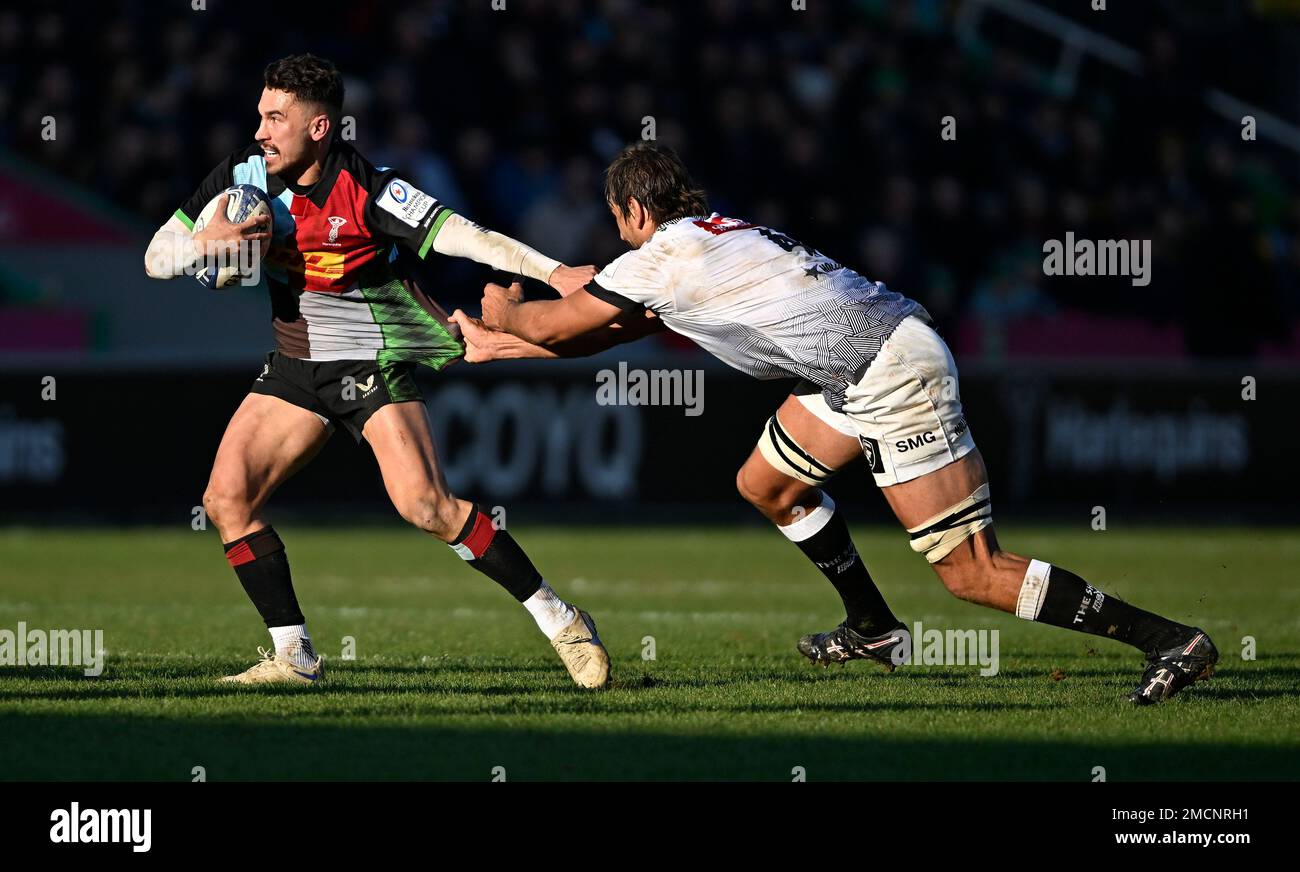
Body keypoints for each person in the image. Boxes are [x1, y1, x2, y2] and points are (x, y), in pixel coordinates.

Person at [456, 142, 1217, 704]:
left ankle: (1168, 641)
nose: (619, 234)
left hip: (888, 371)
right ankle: (873, 626)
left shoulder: (661, 255)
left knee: (970, 572)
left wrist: (509, 310)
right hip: (853, 368)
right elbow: (610, 333)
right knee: (768, 484)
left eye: (617, 220)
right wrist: (509, 340)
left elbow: (564, 326)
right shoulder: (713, 239)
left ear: (633, 210)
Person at [143, 54, 609, 689]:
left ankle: (563, 620)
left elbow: (461, 236)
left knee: (427, 507)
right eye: (260, 115)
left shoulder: (369, 189)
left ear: (319, 128)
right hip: (295, 366)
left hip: (372, 361)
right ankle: (295, 656)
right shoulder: (244, 178)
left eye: (276, 118)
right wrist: (205, 243)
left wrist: (554, 274)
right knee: (226, 501)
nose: (261, 130)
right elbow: (155, 256)